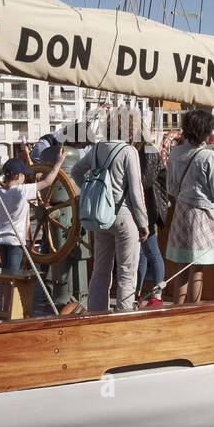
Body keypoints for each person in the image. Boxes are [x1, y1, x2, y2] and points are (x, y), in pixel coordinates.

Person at [166, 109, 214, 304]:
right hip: (202, 216)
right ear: (206, 131)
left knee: (181, 267)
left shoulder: (175, 153)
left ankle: (178, 309)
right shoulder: (209, 157)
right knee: (197, 268)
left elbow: (171, 188)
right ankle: (193, 310)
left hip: (181, 212)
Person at [72, 131, 148, 312]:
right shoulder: (128, 151)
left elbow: (76, 171)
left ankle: (96, 314)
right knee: (127, 272)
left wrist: (92, 193)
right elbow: (137, 193)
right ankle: (124, 315)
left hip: (100, 217)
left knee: (100, 270)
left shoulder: (97, 149)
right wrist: (143, 223)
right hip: (124, 215)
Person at [0, 153, 64, 273]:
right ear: (18, 176)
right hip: (16, 240)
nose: (25, 177)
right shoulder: (22, 191)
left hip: (1, 240)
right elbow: (47, 182)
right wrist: (58, 163)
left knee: (5, 274)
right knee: (14, 276)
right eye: (24, 174)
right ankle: (11, 291)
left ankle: (4, 292)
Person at [134, 129, 169, 307]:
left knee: (151, 252)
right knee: (142, 255)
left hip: (148, 207)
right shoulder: (142, 150)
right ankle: (138, 294)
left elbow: (146, 180)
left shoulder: (147, 150)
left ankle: (157, 296)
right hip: (144, 206)